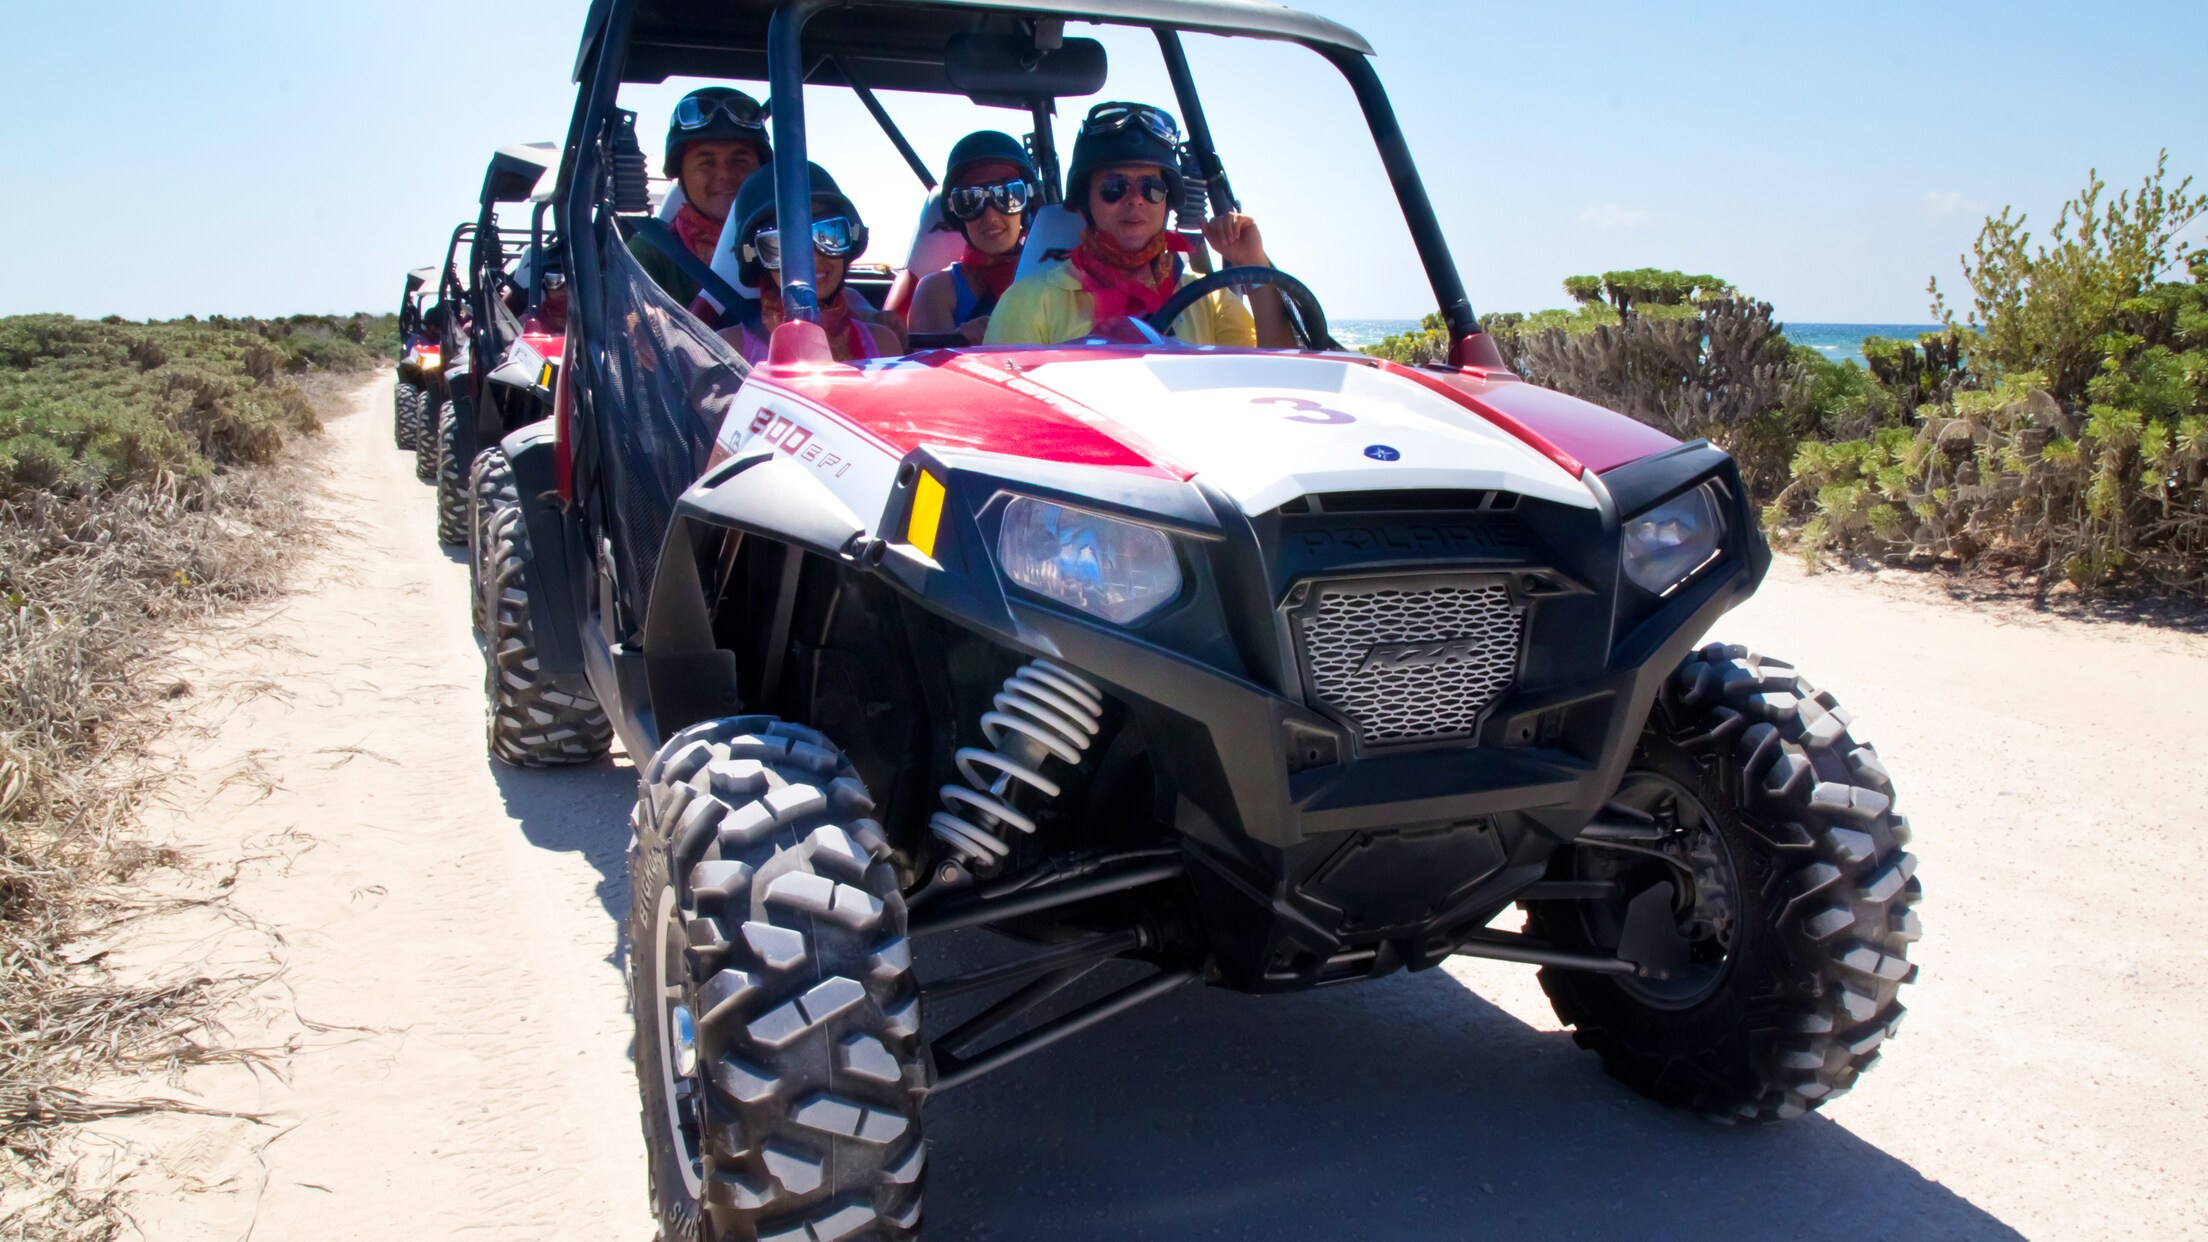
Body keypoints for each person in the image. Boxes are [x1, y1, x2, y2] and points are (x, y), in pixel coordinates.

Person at [985, 101, 1294, 349]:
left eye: (1152, 188)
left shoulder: (1209, 299)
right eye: (1114, 188)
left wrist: (1254, 262)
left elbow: (1279, 382)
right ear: (1084, 202)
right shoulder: (1028, 301)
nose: (1135, 200)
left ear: (1167, 201)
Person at [719, 161, 903, 363]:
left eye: (829, 235)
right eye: (784, 244)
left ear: (851, 237)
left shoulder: (882, 344)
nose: (813, 257)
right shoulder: (730, 351)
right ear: (756, 257)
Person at [627, 87, 770, 304]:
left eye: (739, 161)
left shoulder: (790, 245)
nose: (724, 175)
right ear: (681, 177)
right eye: (706, 163)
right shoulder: (650, 253)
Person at [908, 131, 1037, 344]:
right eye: (969, 201)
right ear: (955, 213)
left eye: (1007, 195)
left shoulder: (1057, 280)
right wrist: (959, 341)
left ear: (1027, 203)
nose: (991, 216)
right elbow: (932, 371)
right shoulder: (936, 291)